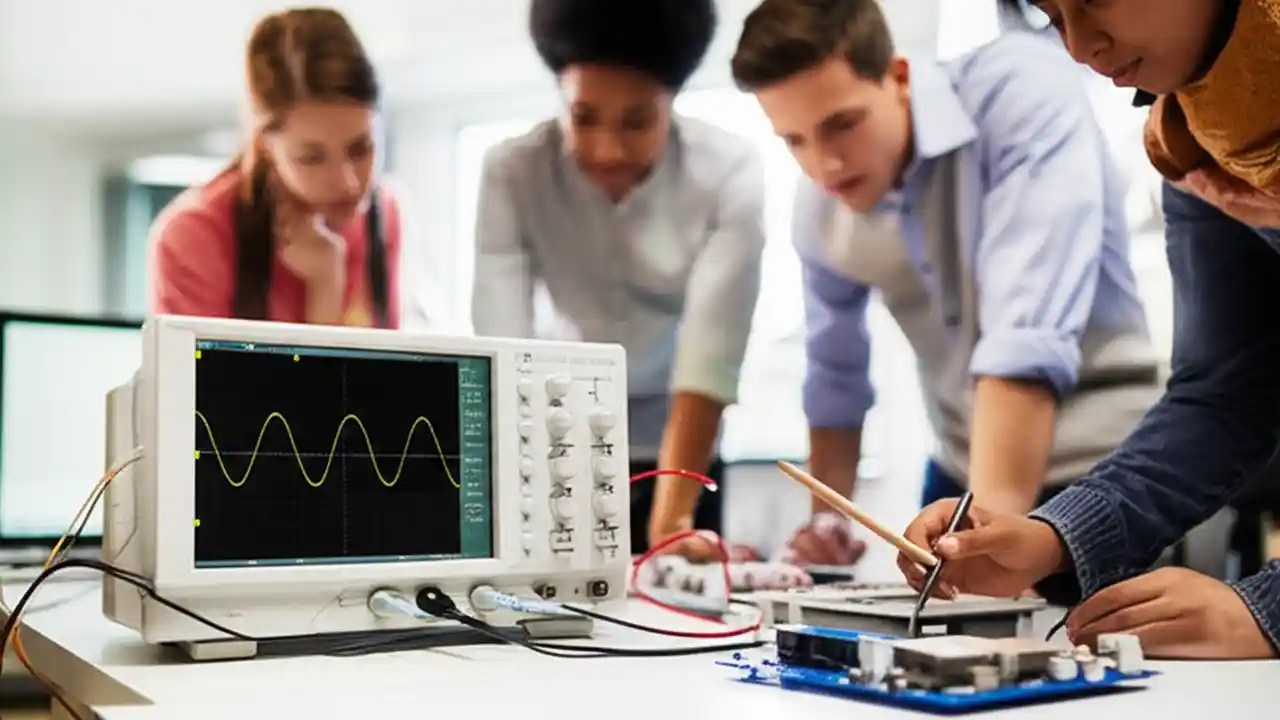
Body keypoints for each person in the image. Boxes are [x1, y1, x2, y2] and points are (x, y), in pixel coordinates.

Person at [900, 0, 1280, 660]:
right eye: (1053, 15)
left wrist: (1269, 612)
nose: (1079, 47)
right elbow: (1226, 394)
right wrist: (1049, 540)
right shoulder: (1192, 138)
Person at [728, 0, 1161, 567]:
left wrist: (986, 536)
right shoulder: (820, 210)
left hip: (1106, 469)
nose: (825, 164)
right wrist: (826, 524)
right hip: (963, 473)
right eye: (795, 140)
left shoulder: (1020, 93)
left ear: (899, 77)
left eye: (842, 124)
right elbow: (835, 378)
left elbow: (1023, 341)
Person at [471, 0, 766, 557]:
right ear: (559, 95)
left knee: (679, 603)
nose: (608, 149)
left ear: (673, 100)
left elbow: (710, 354)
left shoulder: (730, 171)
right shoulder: (512, 172)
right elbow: (501, 346)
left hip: (683, 444)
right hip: (563, 439)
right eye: (583, 117)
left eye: (636, 122)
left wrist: (674, 517)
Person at [149, 8, 402, 329]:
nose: (349, 183)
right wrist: (324, 289)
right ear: (265, 146)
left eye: (361, 148)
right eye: (312, 158)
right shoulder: (192, 238)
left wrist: (328, 281)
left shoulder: (384, 214)